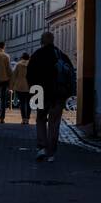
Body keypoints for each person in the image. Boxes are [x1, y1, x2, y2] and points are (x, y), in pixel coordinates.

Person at [26, 30, 75, 163]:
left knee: (41, 119)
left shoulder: (37, 55)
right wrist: (68, 92)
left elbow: (30, 75)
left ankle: (41, 147)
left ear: (42, 41)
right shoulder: (61, 55)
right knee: (54, 122)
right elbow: (70, 74)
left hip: (40, 92)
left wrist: (33, 90)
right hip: (58, 94)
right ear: (53, 41)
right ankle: (51, 152)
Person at [10, 51, 31, 123]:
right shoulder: (31, 64)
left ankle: (23, 119)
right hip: (29, 86)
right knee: (28, 103)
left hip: (20, 87)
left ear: (22, 58)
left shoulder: (18, 65)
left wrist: (11, 86)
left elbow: (14, 76)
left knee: (22, 103)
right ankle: (27, 119)